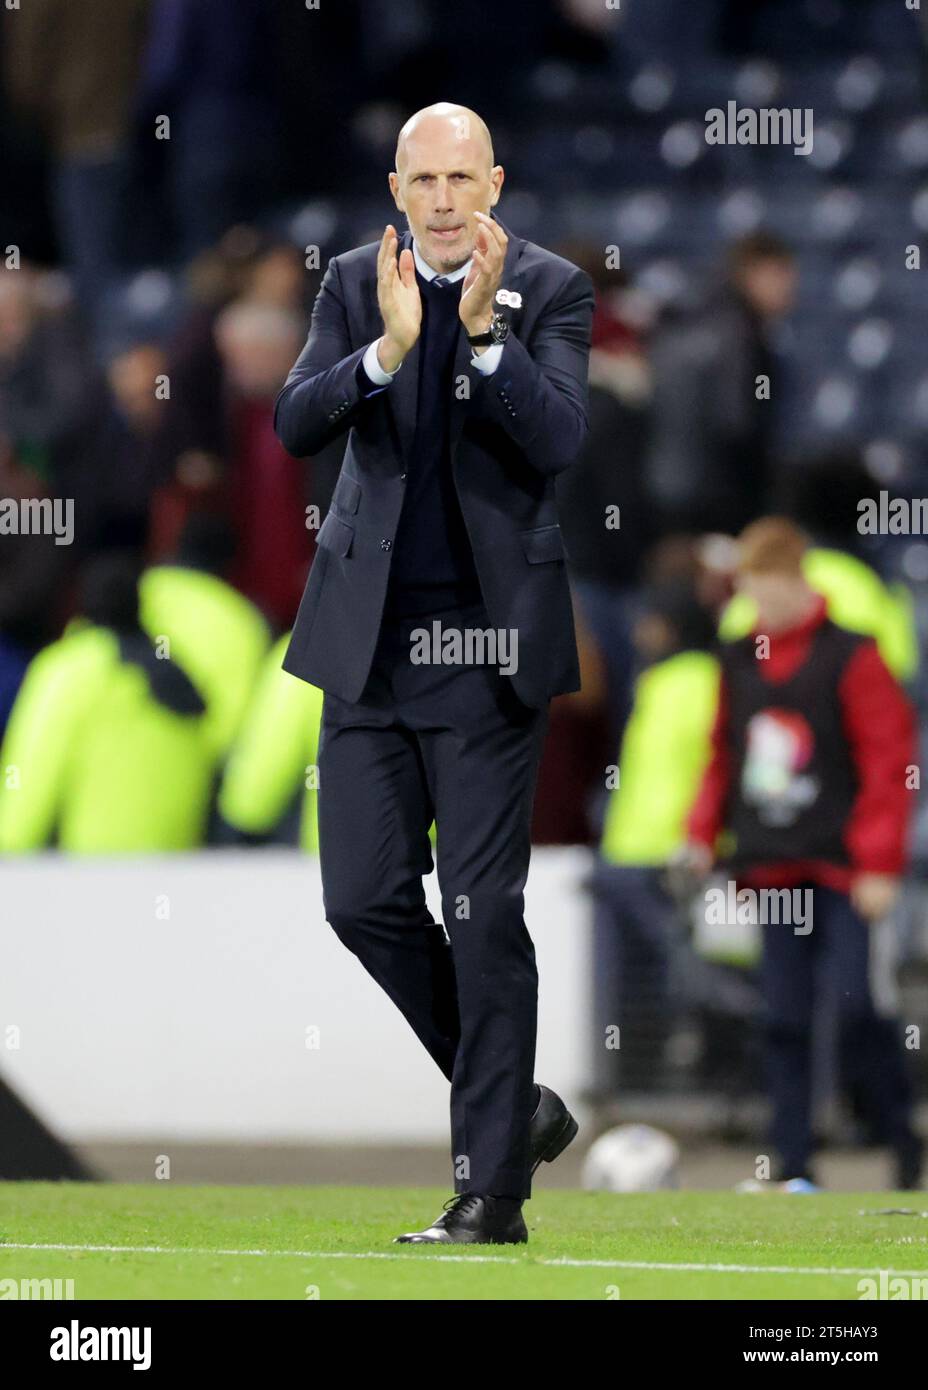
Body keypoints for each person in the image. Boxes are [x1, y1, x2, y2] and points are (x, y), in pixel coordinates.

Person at [274, 103, 594, 1245]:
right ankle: (518, 1110)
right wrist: (391, 351)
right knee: (360, 901)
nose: (446, 198)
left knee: (481, 910)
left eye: (465, 177)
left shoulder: (549, 288)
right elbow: (294, 420)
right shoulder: (356, 285)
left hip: (485, 658)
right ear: (398, 189)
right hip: (367, 651)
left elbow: (558, 441)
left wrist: (483, 337)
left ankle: (491, 1192)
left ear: (495, 183)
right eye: (426, 179)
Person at [685, 518, 923, 1189]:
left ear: (799, 580)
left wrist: (879, 863)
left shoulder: (853, 655)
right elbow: (722, 756)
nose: (764, 607)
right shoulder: (735, 658)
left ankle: (900, 1137)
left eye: (772, 592)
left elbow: (889, 761)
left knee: (854, 1008)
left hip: (841, 868)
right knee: (783, 1017)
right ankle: (794, 1165)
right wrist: (702, 835)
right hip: (770, 864)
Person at [0, 551, 212, 854]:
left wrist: (10, 853)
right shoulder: (177, 672)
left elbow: (30, 782)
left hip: (95, 872)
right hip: (177, 861)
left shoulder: (67, 670)